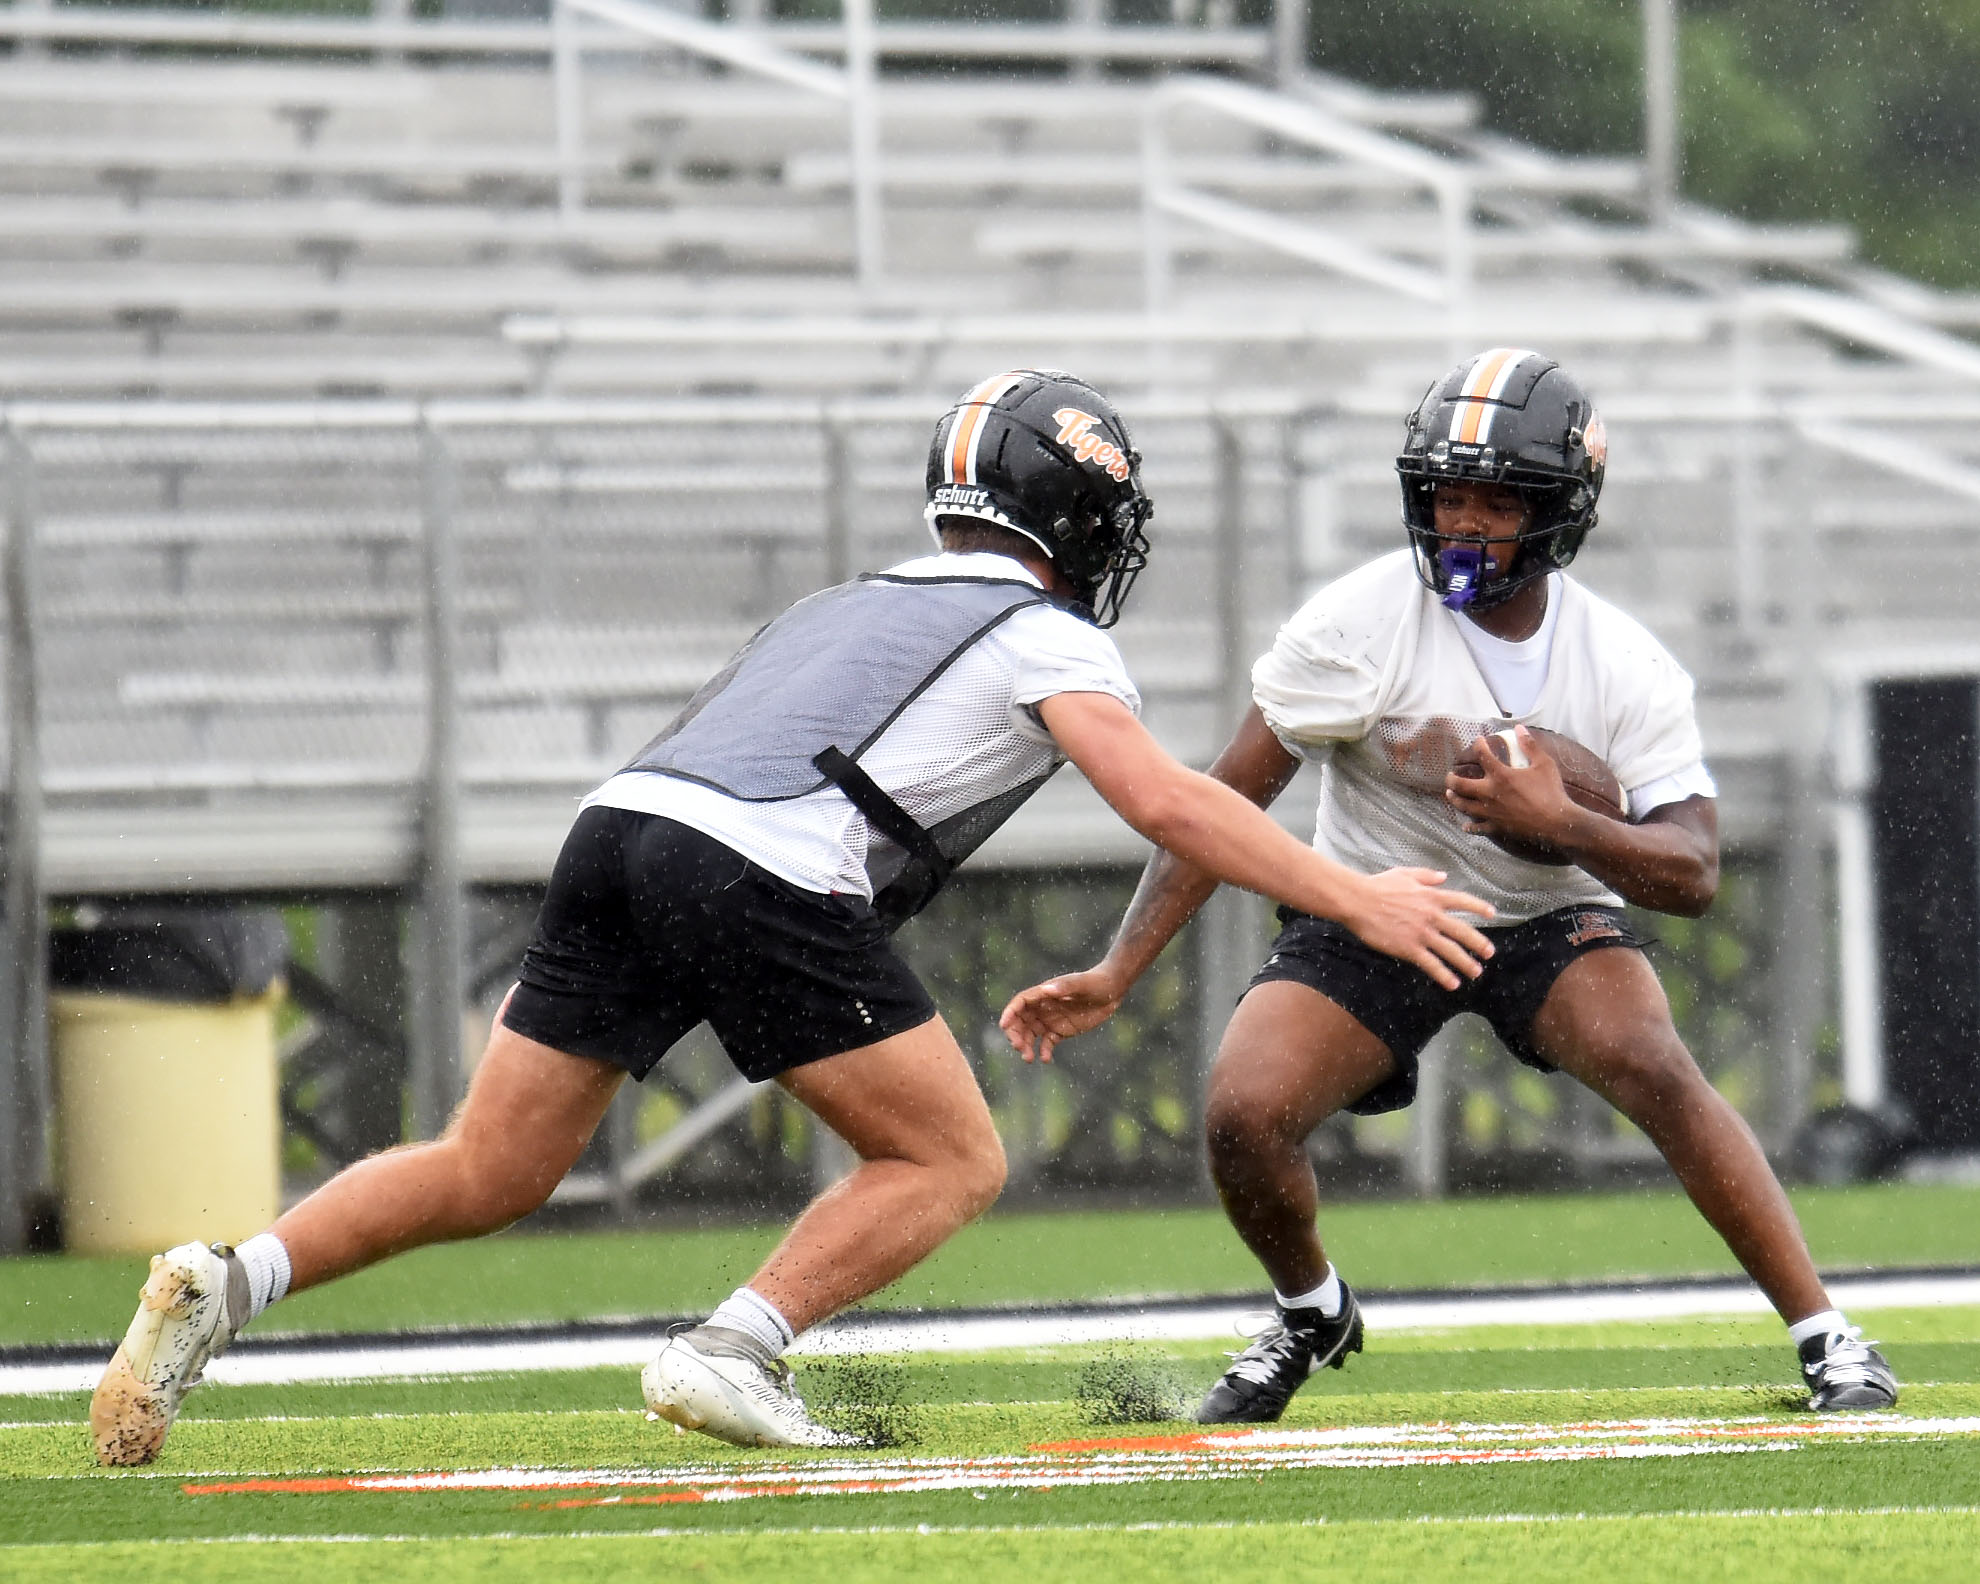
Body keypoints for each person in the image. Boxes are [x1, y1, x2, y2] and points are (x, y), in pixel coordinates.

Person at [91, 369, 1496, 1467]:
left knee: (493, 1161)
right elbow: (1170, 802)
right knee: (948, 1158)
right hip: (753, 858)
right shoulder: (1049, 632)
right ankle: (737, 1343)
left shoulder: (846, 597)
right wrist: (1352, 891)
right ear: (1077, 516)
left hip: (622, 826)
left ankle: (233, 1280)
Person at [1000, 349, 1899, 1423]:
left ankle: (1827, 1337)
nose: (1463, 523)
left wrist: (1561, 825)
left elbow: (1693, 871)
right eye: (1446, 495)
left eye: (1493, 500)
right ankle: (1306, 1309)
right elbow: (1220, 803)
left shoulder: (1624, 663)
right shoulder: (1355, 622)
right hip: (1375, 907)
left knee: (1653, 1062)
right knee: (1243, 1114)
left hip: (1545, 916)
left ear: (1557, 512)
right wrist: (1118, 967)